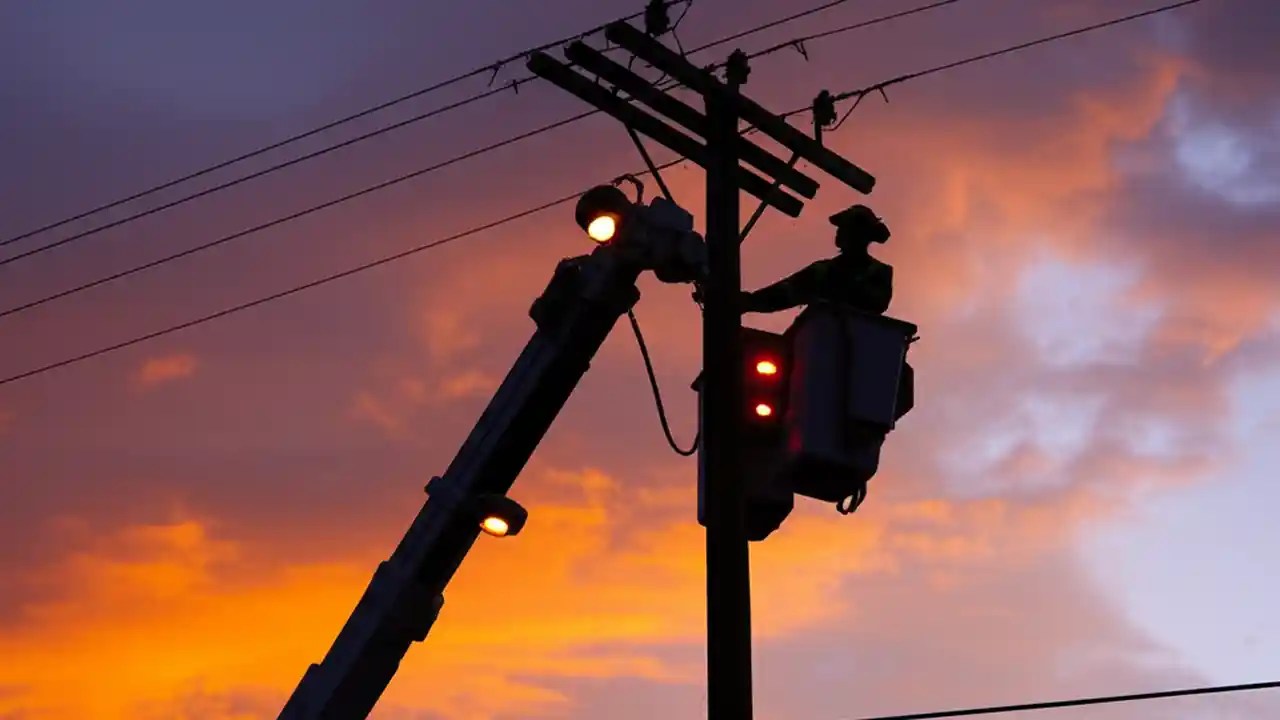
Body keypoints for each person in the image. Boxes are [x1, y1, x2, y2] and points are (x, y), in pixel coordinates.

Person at [740, 204, 893, 314]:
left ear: (862, 235)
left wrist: (840, 285)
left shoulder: (879, 272)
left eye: (846, 228)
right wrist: (749, 302)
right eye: (841, 228)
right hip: (819, 343)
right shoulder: (822, 271)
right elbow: (785, 293)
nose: (839, 232)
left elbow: (877, 303)